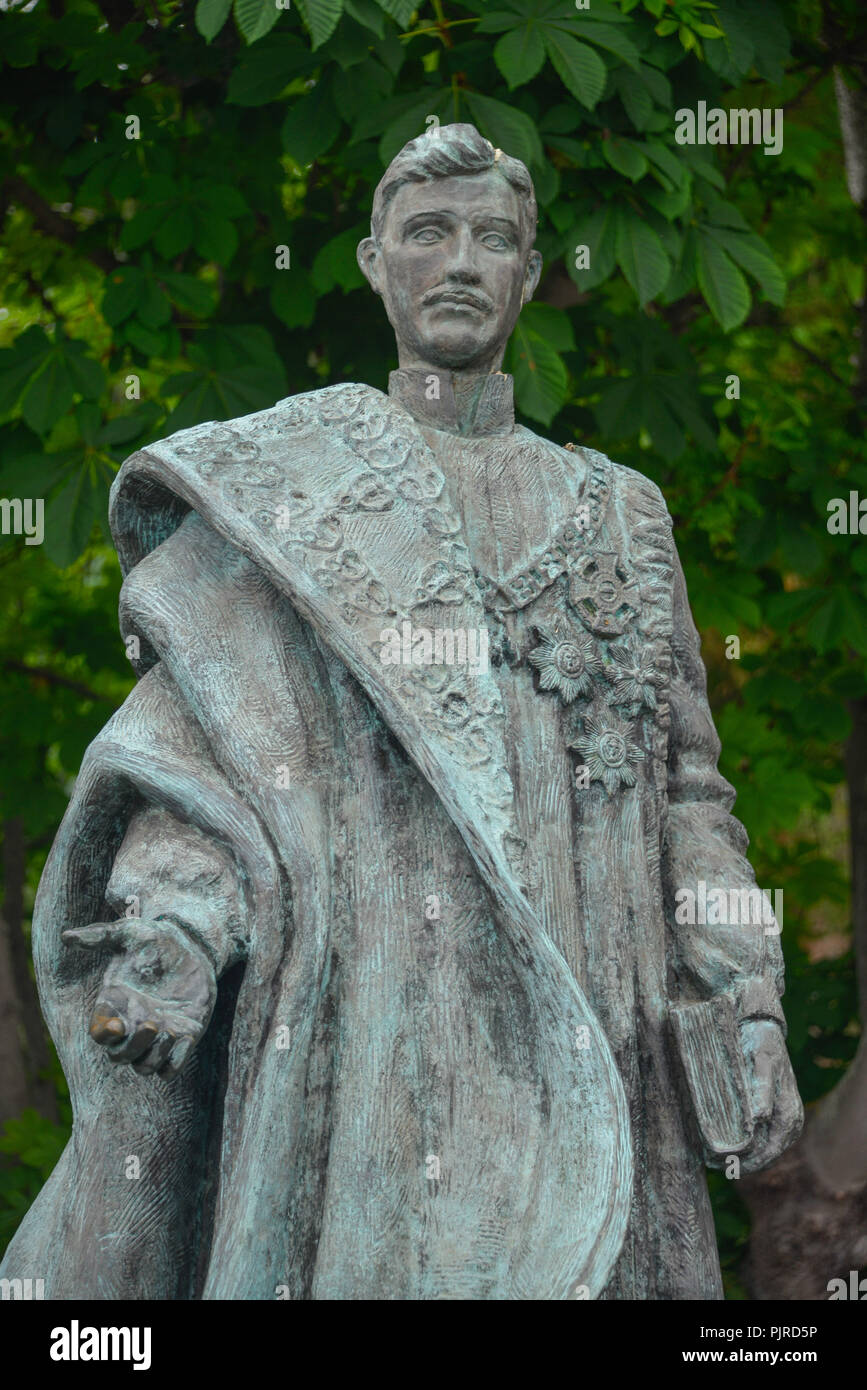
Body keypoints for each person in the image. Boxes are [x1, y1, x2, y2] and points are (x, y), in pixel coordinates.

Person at [1, 124, 802, 1300]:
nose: (463, 262)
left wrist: (746, 997)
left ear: (530, 272)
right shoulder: (293, 498)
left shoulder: (624, 515)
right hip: (375, 1037)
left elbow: (693, 800)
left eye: (495, 239)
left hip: (600, 1037)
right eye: (429, 234)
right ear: (376, 263)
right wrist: (173, 932)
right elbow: (208, 764)